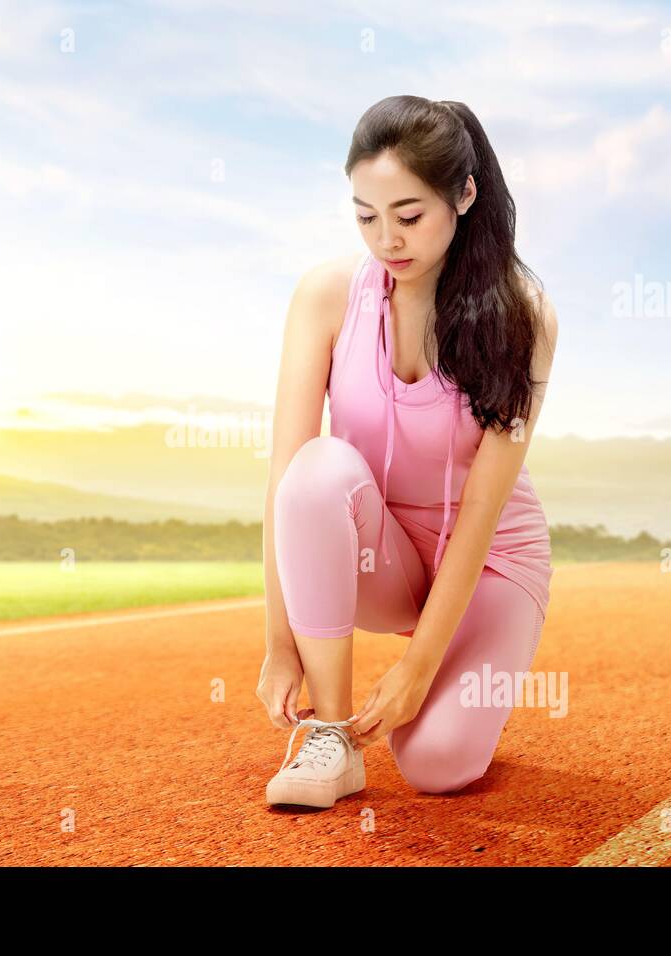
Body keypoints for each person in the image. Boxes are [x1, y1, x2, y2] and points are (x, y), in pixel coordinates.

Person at [257, 96, 559, 809]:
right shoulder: (327, 296)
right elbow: (286, 477)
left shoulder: (524, 315)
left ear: (464, 194)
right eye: (366, 215)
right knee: (317, 471)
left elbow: (482, 511)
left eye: (409, 215)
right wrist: (279, 640)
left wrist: (420, 668)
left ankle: (460, 683)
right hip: (379, 551)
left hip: (488, 560)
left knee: (436, 764)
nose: (386, 238)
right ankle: (330, 738)